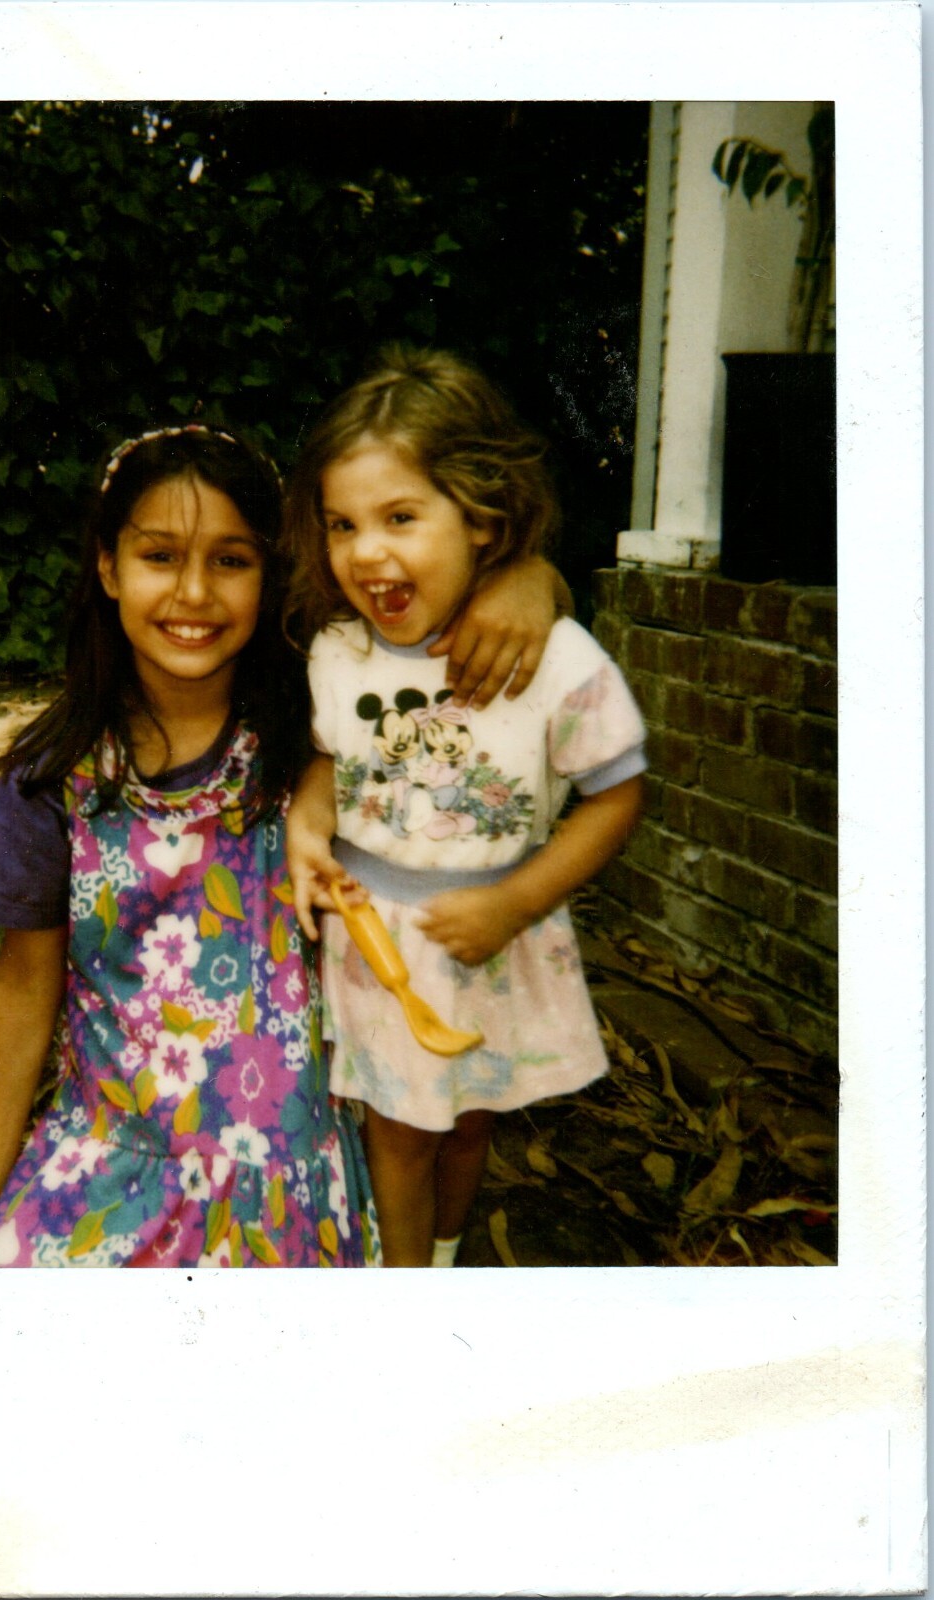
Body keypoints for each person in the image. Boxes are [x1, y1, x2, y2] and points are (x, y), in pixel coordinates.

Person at [0, 423, 561, 1268]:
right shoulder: (52, 780)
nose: (194, 593)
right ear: (107, 568)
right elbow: (24, 991)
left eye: (231, 560)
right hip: (108, 1164)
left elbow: (441, 593)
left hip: (294, 1176)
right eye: (160, 556)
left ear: (271, 576)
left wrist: (533, 581)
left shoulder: (330, 737)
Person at [283, 348, 646, 1268]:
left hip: (495, 937)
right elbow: (332, 758)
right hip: (379, 946)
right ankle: (405, 1291)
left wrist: (516, 902)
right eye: (341, 524)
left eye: (399, 516)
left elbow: (616, 793)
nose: (366, 551)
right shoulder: (336, 651)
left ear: (482, 518)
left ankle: (441, 1257)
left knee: (471, 1120)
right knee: (400, 1131)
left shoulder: (553, 660)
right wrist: (305, 821)